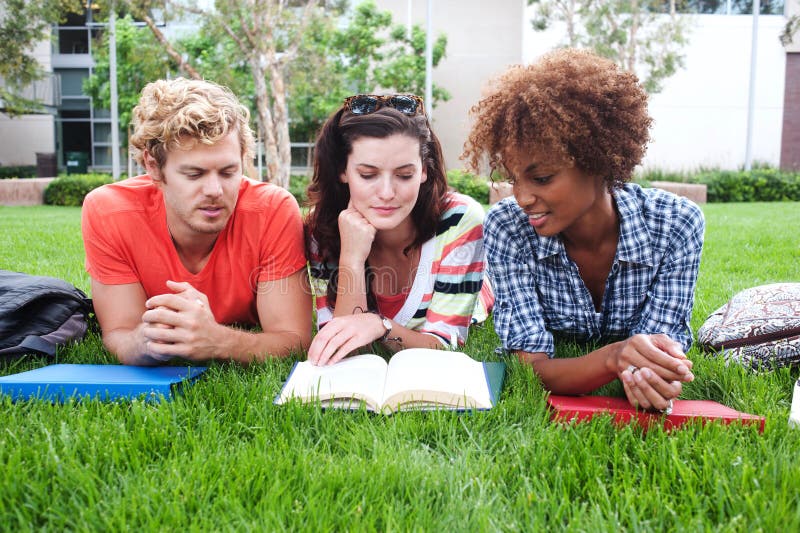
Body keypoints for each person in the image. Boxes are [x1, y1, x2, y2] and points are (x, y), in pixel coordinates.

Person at [462, 49, 705, 412]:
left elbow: (660, 351)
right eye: (514, 179)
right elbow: (530, 367)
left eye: (541, 178)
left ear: (597, 161)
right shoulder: (508, 226)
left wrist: (654, 372)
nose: (522, 197)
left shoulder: (675, 224)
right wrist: (614, 359)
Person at [81, 78, 311, 365]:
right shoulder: (109, 211)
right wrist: (147, 340)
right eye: (194, 174)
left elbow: (294, 340)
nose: (215, 190)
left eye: (228, 172)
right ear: (153, 167)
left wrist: (218, 341)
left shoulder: (273, 210)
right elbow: (119, 333)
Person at [305, 94, 488, 366]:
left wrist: (381, 326)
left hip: (472, 283)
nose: (387, 193)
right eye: (368, 175)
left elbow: (443, 345)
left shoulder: (460, 219)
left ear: (424, 170)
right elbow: (340, 345)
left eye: (404, 175)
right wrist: (352, 258)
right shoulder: (322, 228)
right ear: (343, 171)